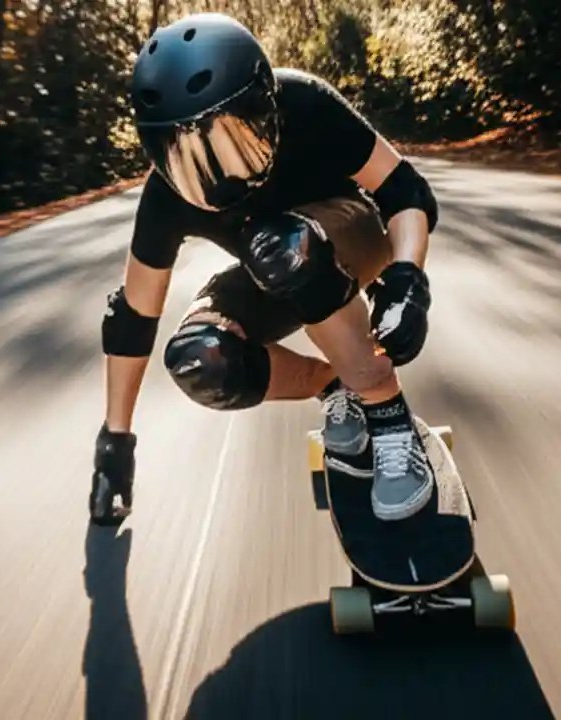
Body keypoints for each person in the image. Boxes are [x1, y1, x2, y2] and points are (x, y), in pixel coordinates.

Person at [90, 13, 439, 526]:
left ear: (266, 108)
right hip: (273, 265)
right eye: (184, 156)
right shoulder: (166, 196)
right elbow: (132, 322)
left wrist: (409, 280)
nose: (214, 173)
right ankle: (336, 385)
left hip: (352, 236)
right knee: (200, 359)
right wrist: (114, 442)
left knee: (282, 248)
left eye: (232, 141)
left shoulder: (306, 103)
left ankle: (390, 420)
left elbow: (404, 190)